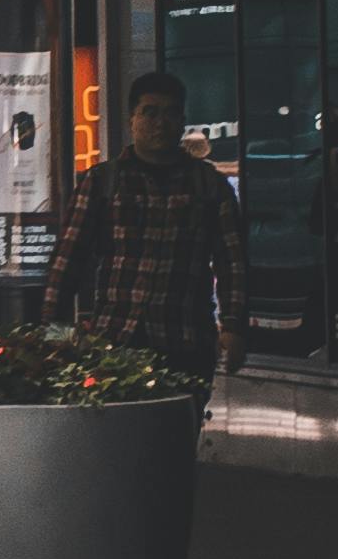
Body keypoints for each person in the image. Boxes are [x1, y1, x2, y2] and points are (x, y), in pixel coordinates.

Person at [45, 71, 248, 390]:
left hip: (186, 338)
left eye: (170, 113)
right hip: (116, 338)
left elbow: (232, 262)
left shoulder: (209, 186)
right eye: (149, 112)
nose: (160, 122)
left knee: (178, 433)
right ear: (132, 120)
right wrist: (55, 332)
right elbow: (67, 261)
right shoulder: (102, 182)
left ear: (182, 121)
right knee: (118, 433)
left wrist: (233, 327)